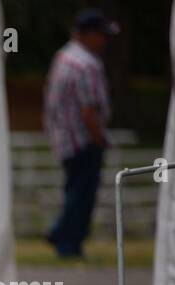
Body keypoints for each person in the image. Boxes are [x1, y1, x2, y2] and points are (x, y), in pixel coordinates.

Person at [43, 8, 120, 258]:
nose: (105, 41)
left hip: (63, 138)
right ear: (89, 35)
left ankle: (60, 232)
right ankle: (66, 240)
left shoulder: (63, 57)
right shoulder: (87, 64)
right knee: (81, 195)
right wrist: (99, 139)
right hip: (83, 139)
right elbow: (89, 110)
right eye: (102, 35)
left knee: (73, 191)